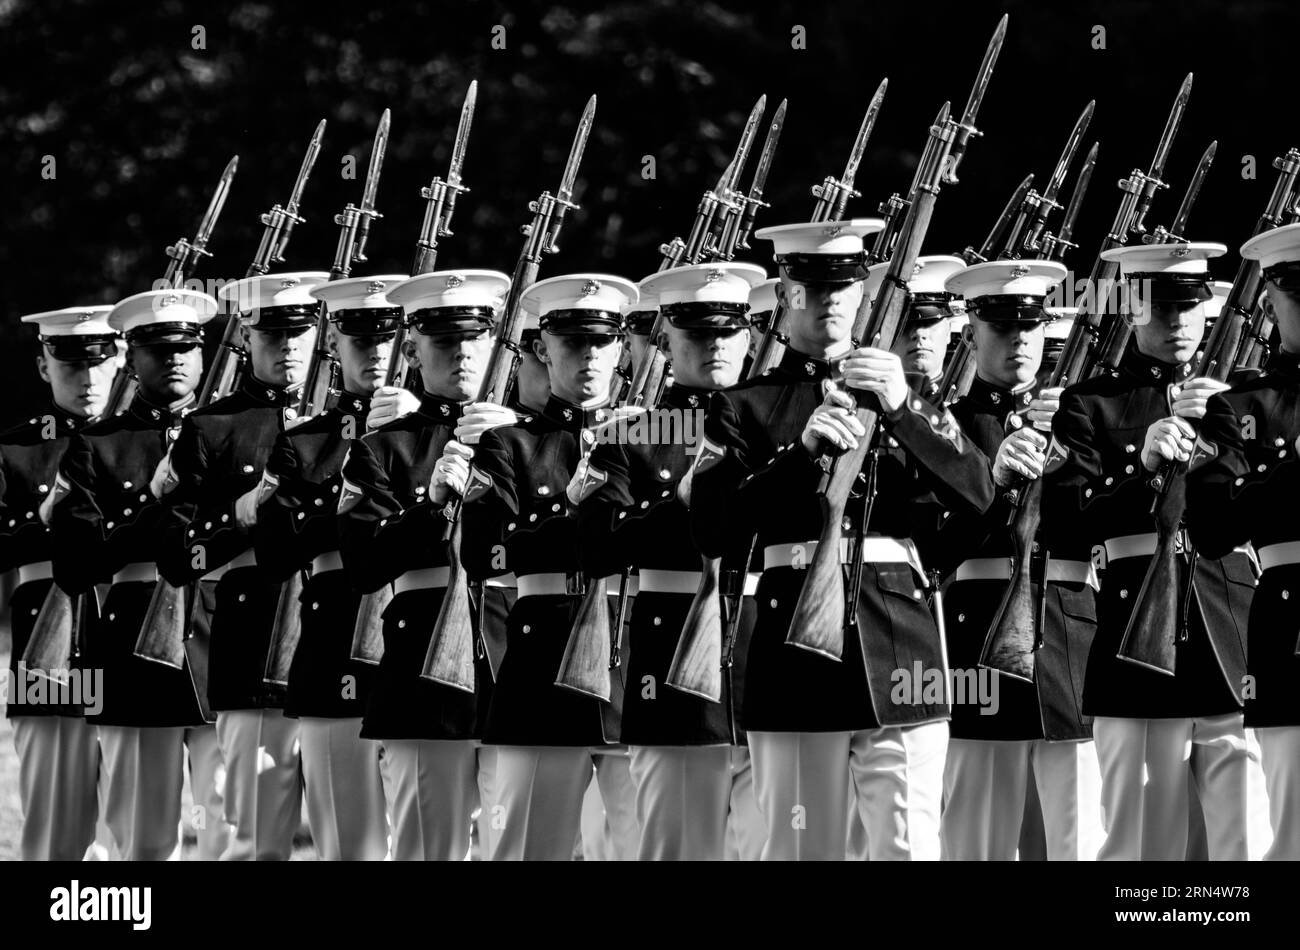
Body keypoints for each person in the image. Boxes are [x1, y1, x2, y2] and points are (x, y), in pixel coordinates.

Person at [691, 220, 995, 860]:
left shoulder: (905, 396)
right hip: (790, 642)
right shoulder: (743, 406)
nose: (829, 298)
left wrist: (903, 411)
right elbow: (715, 525)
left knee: (907, 846)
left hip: (897, 637)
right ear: (785, 296)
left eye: (845, 285)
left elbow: (978, 495)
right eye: (811, 285)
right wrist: (800, 456)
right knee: (800, 848)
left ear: (864, 294)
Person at [1045, 241, 1271, 860]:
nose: (1176, 322)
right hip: (1135, 645)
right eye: (1161, 309)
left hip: (1231, 633)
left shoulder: (1238, 400)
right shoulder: (1089, 405)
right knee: (1145, 847)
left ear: (1207, 311)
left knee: (1249, 840)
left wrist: (1221, 439)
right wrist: (1140, 467)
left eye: (1188, 308)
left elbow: (1255, 508)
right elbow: (1065, 520)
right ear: (1132, 310)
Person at [577, 261, 767, 860]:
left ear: (750, 337)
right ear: (666, 338)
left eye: (726, 332)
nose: (713, 345)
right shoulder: (631, 435)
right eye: (696, 332)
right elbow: (599, 545)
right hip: (671, 656)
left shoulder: (777, 422)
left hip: (769, 654)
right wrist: (680, 506)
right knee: (677, 850)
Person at [460, 273, 642, 860]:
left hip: (631, 650)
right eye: (572, 343)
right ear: (542, 348)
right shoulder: (509, 444)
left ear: (620, 347)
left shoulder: (652, 435)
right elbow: (483, 552)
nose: (589, 356)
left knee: (642, 846)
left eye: (602, 342)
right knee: (526, 847)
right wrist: (583, 513)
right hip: (542, 657)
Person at [339, 269, 516, 860]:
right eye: (445, 342)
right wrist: (431, 507)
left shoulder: (526, 437)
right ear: (413, 351)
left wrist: (518, 445)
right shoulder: (385, 448)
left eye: (475, 338)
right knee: (423, 849)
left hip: (516, 658)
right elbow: (363, 564)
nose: (463, 353)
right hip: (421, 668)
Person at [935, 259, 1103, 860]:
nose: (1019, 341)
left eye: (1030, 328)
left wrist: (1073, 452)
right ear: (971, 332)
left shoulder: (1080, 423)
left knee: (1081, 836)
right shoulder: (947, 428)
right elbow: (929, 547)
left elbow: (1104, 524)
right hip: (977, 639)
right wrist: (993, 481)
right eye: (1003, 328)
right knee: (976, 837)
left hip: (1066, 641)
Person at [52, 289, 228, 860]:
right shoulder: (97, 447)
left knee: (224, 824)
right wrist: (153, 506)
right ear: (132, 358)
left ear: (204, 357)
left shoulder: (230, 434)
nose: (174, 359)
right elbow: (77, 566)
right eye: (158, 349)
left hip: (223, 638)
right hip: (133, 651)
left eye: (186, 347)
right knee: (142, 837)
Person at [159, 270, 327, 860]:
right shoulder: (211, 428)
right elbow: (179, 557)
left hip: (346, 640)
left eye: (299, 333)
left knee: (361, 838)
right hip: (254, 643)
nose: (287, 347)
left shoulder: (360, 421)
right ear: (246, 340)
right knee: (253, 837)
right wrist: (241, 513)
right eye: (273, 334)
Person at [252, 274, 410, 860]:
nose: (376, 354)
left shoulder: (439, 434)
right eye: (359, 341)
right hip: (334, 648)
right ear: (333, 346)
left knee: (433, 841)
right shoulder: (305, 443)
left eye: (388, 339)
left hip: (423, 650)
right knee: (349, 845)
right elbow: (274, 553)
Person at [1188, 221, 1300, 860]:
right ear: (1271, 302)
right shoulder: (1240, 406)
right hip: (1291, 632)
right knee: (1289, 831)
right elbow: (1210, 529)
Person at [3, 305, 120, 860]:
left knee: (144, 829)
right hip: (50, 656)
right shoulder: (16, 449)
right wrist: (40, 520)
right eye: (71, 364)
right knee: (54, 835)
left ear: (120, 360)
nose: (88, 377)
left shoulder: (157, 437)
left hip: (138, 646)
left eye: (99, 362)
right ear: (44, 366)